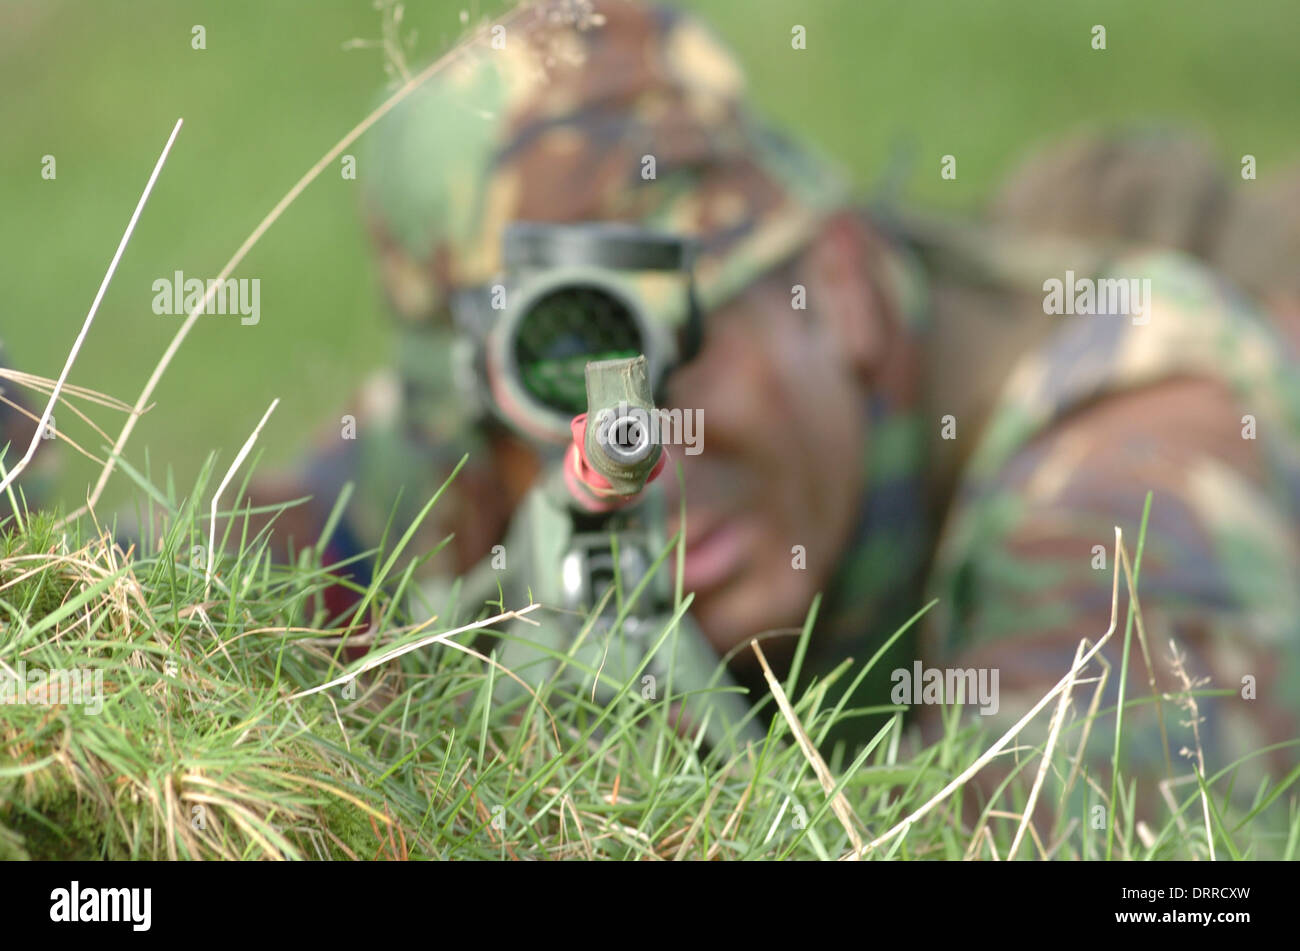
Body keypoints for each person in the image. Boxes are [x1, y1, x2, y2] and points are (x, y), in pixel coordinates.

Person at [249, 0, 1300, 806]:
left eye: (674, 354)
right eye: (552, 387)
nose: (639, 446)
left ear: (834, 282)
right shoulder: (515, 436)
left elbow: (1069, 811)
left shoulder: (1134, 433)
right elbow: (205, 585)